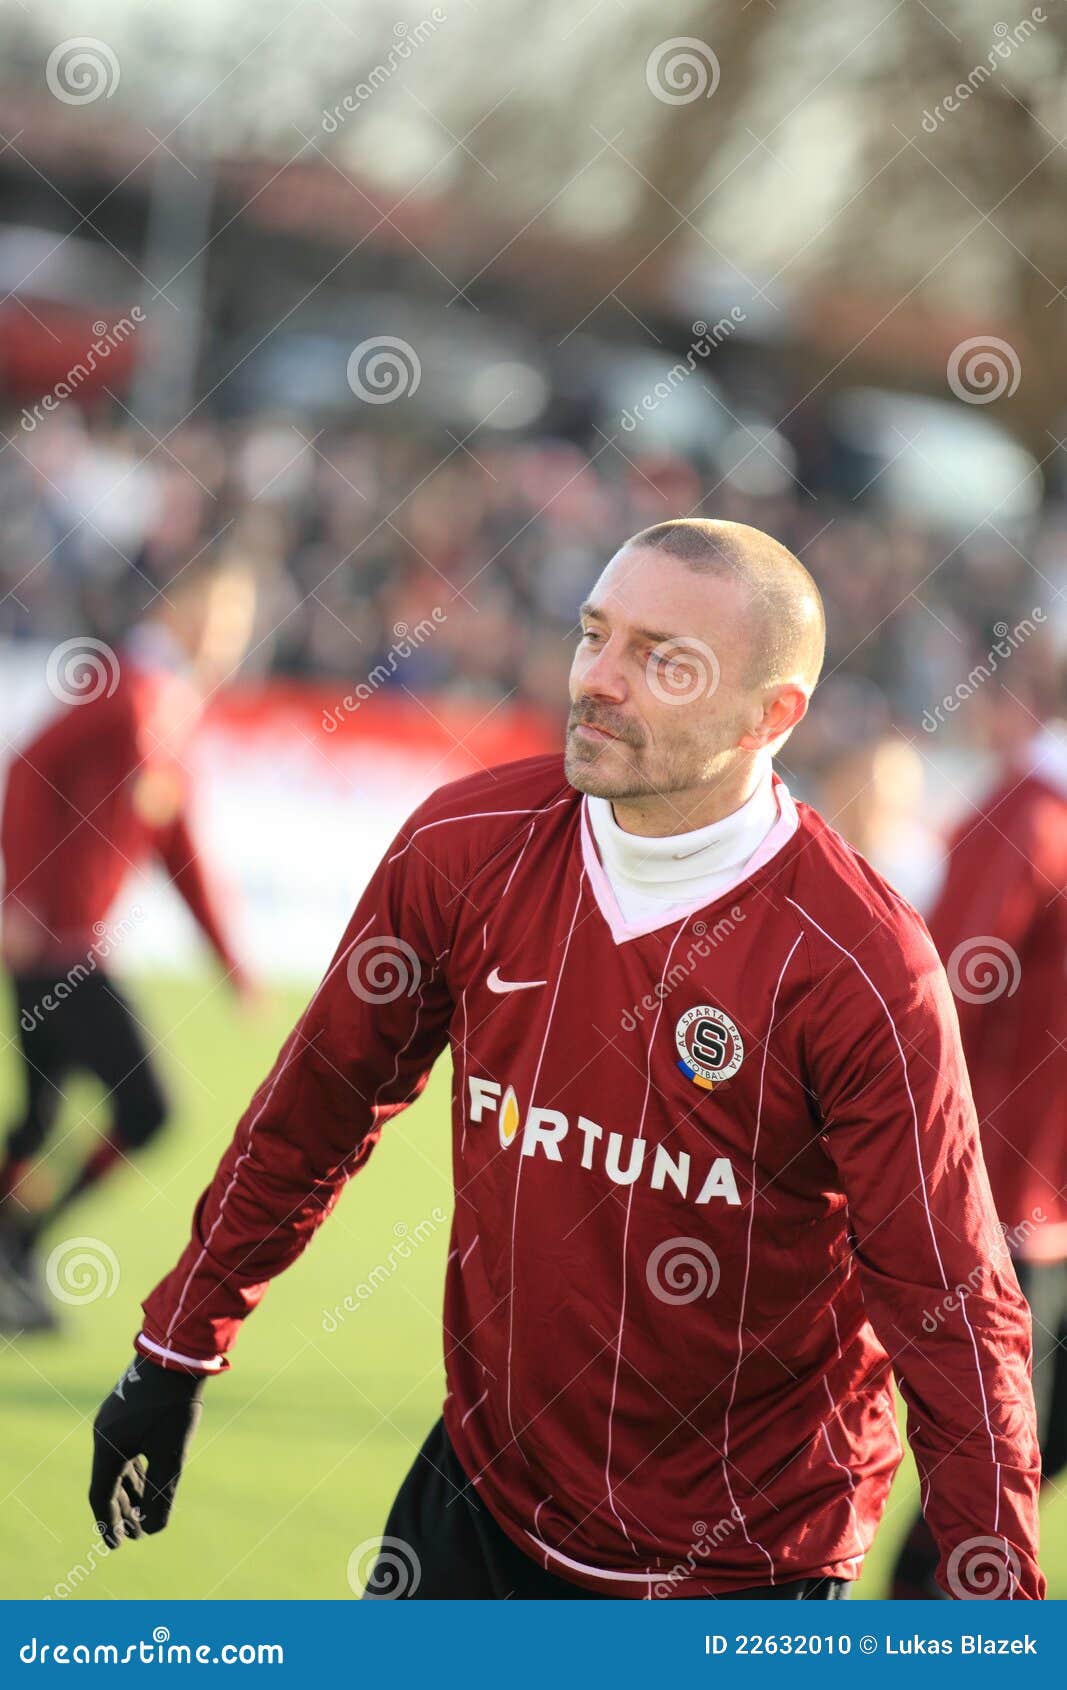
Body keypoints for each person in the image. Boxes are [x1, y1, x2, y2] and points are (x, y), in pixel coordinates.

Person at [89, 519, 1042, 1600]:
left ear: (769, 715)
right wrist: (174, 1349)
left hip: (738, 1568)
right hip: (476, 1503)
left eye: (662, 659)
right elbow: (314, 1111)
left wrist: (993, 1603)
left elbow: (949, 1299)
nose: (600, 679)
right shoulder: (465, 845)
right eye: (596, 634)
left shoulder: (857, 963)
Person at [0, 556, 257, 1330]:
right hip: (58, 945)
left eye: (239, 622)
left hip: (72, 945)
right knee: (147, 1108)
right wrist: (21, 899)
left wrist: (229, 959)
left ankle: (13, 1262)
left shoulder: (170, 704)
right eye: (217, 614)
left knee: (40, 1118)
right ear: (176, 607)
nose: (229, 636)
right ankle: (19, 1247)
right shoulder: (126, 685)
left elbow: (180, 849)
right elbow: (27, 768)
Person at [891, 675, 1067, 1599]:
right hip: (1004, 1210)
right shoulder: (1025, 816)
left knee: (1033, 1466)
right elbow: (935, 1007)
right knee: (986, 1494)